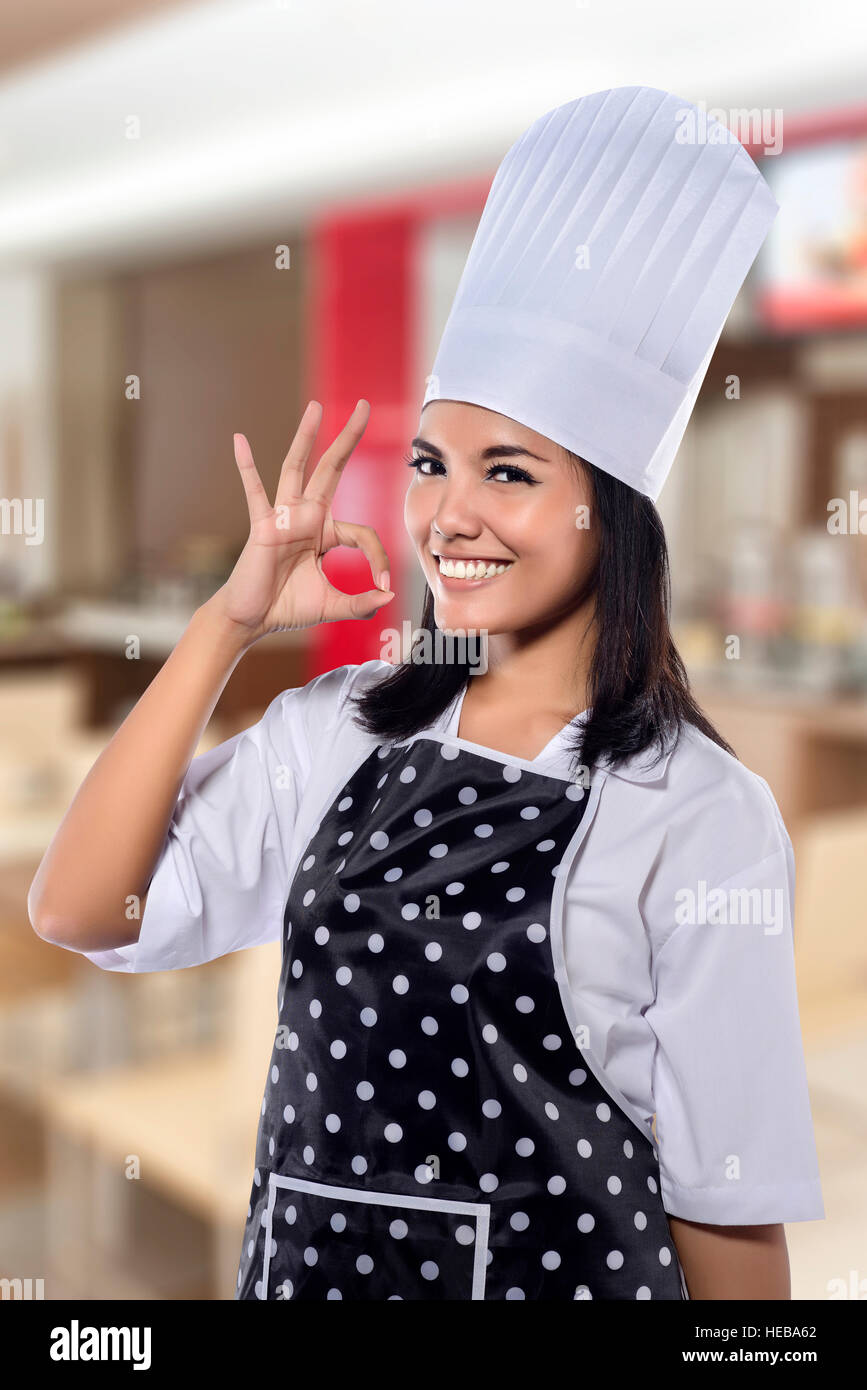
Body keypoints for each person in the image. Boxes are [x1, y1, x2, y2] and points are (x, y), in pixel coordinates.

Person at [28, 87, 824, 1301]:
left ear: (607, 509)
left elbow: (729, 1216)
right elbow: (83, 907)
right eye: (432, 464)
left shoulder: (699, 812)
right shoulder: (341, 732)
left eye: (509, 472)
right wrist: (226, 625)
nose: (452, 513)